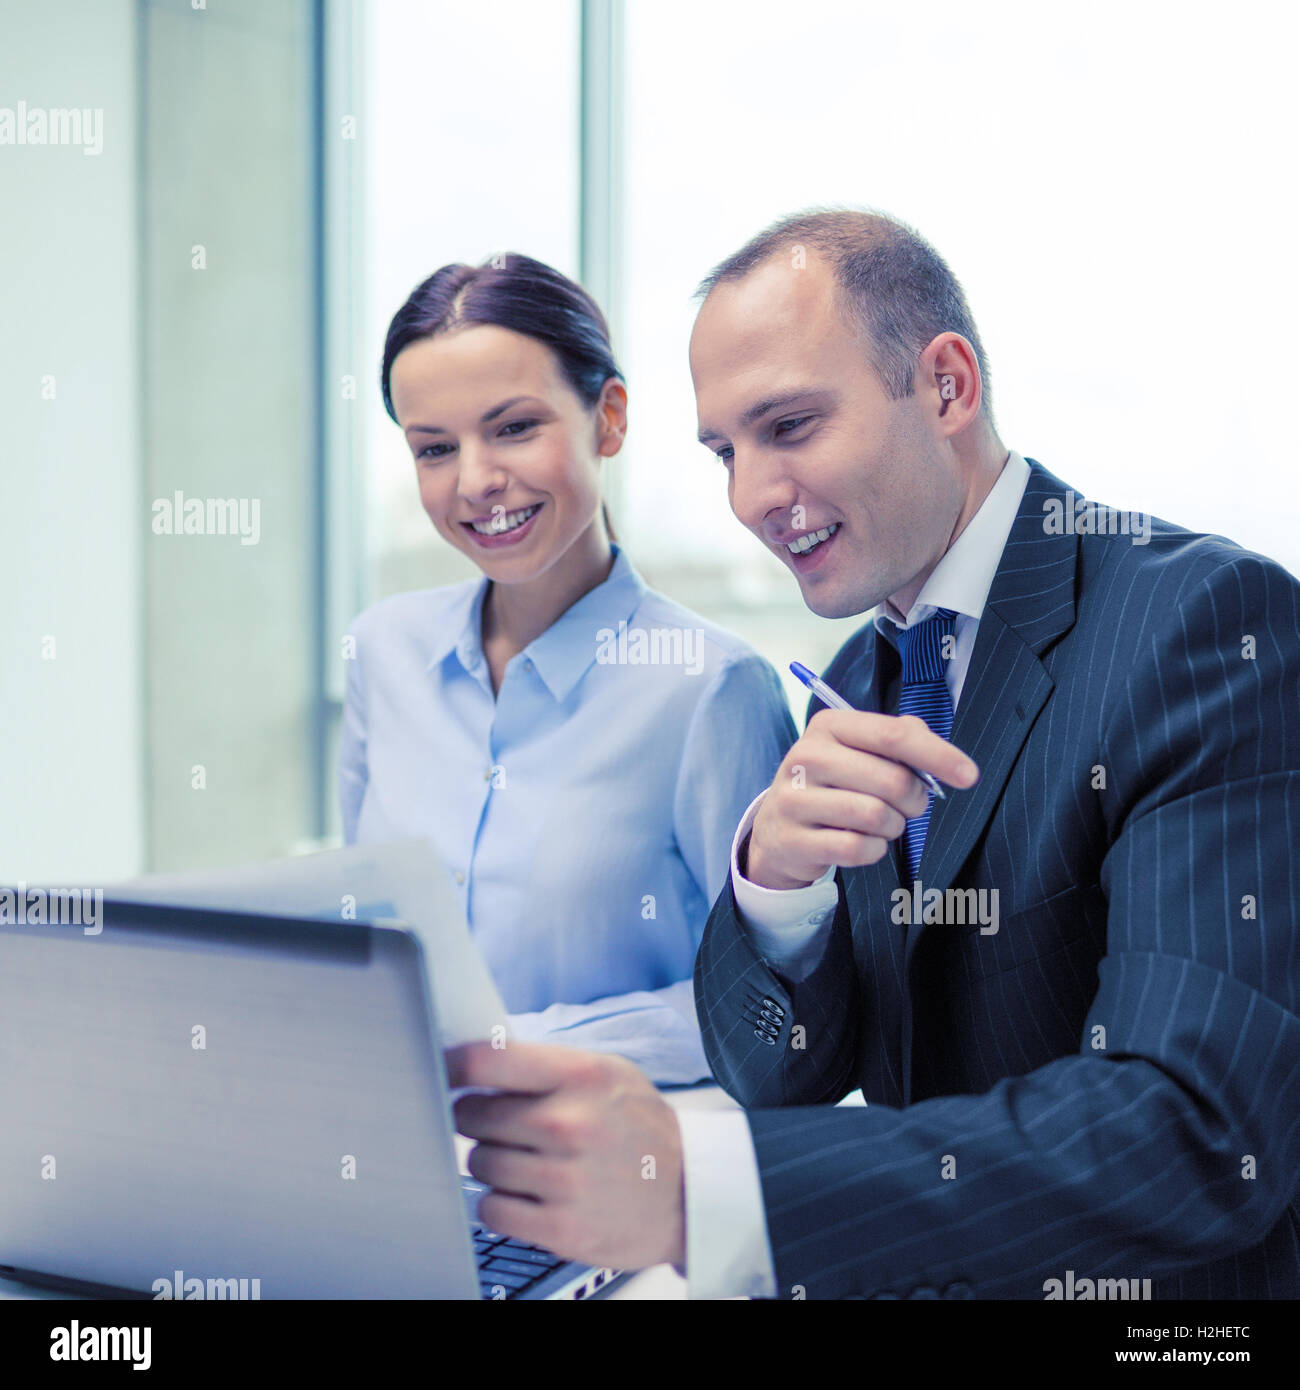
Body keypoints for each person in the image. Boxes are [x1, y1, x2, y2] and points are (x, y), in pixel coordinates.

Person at [448, 210, 1300, 1298]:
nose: (750, 496)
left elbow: (1195, 1133)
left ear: (945, 387)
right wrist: (771, 892)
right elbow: (780, 1072)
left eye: (790, 425)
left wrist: (702, 1188)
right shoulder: (856, 679)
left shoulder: (1199, 623)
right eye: (724, 451)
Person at [340, 252, 796, 1086]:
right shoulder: (384, 654)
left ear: (607, 418)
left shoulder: (711, 689)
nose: (476, 482)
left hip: (610, 1178)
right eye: (434, 448)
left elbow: (773, 1007)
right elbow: (364, 946)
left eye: (514, 427)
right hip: (399, 1155)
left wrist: (499, 1052)